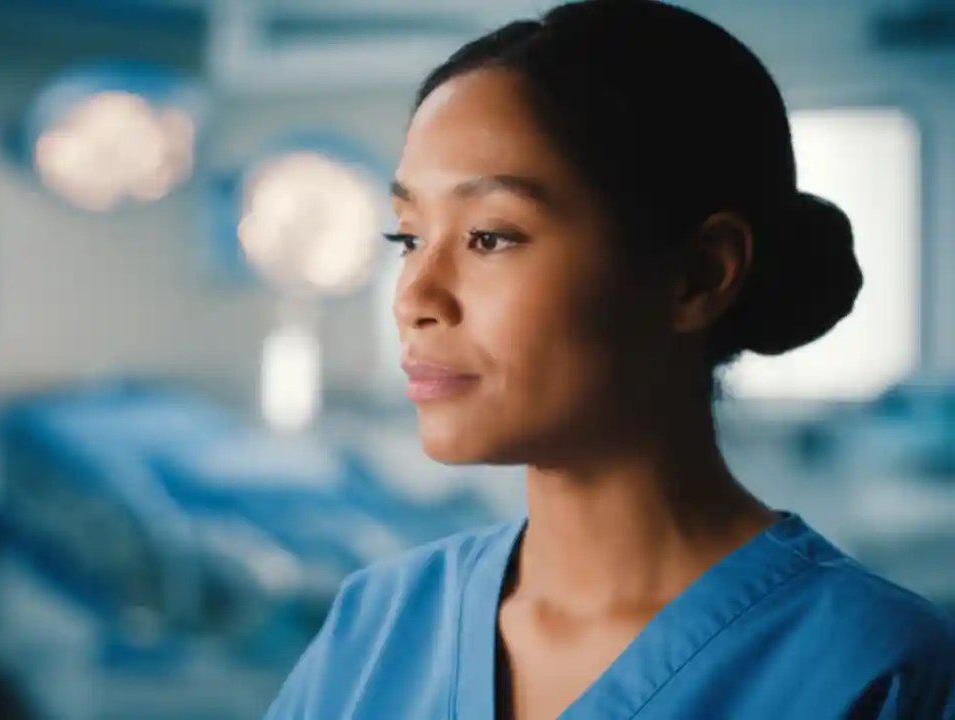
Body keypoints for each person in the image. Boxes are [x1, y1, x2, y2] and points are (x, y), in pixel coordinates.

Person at [263, 1, 955, 717]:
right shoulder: (376, 628)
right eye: (408, 239)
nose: (415, 298)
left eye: (490, 237)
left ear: (698, 276)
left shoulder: (877, 671)